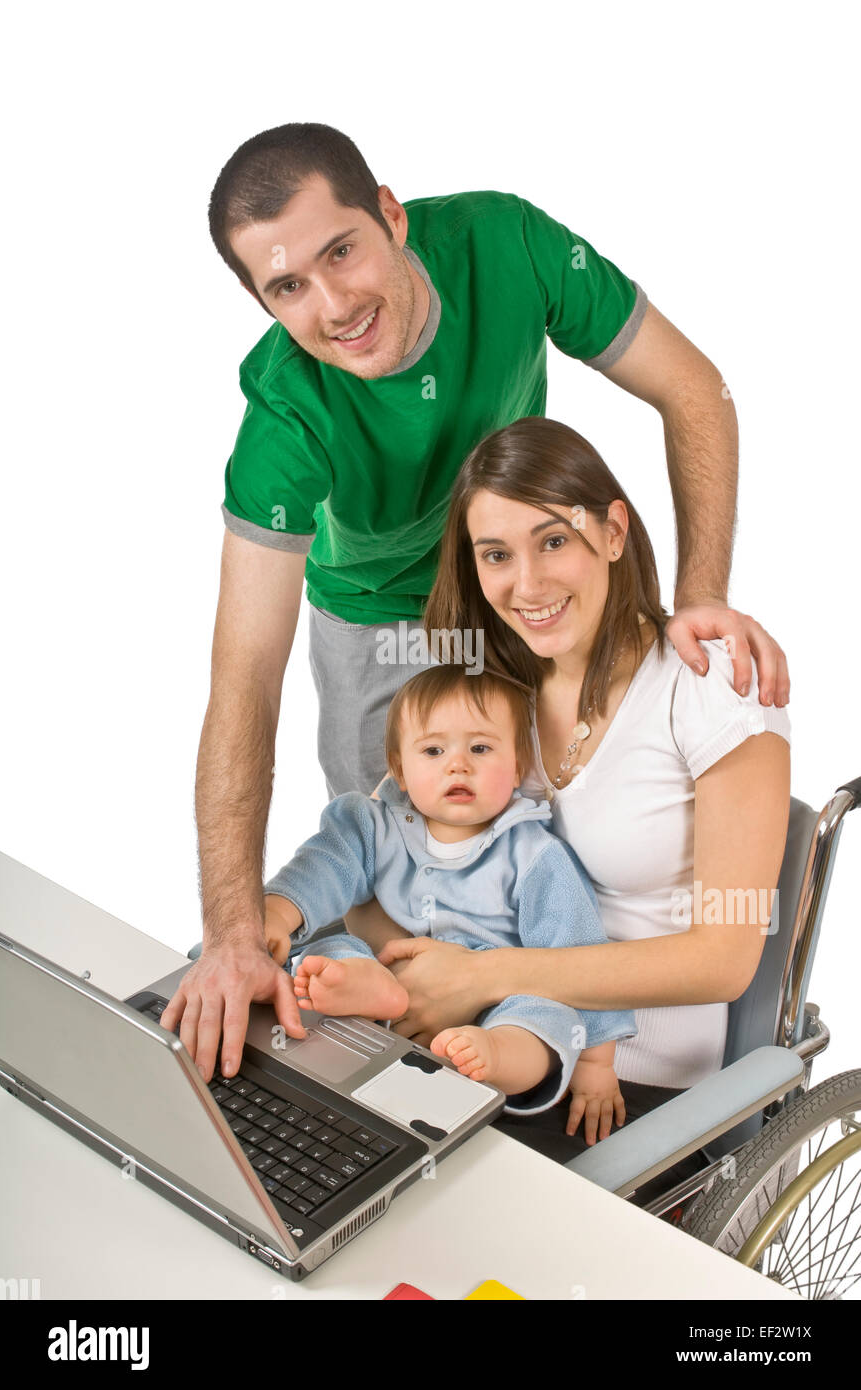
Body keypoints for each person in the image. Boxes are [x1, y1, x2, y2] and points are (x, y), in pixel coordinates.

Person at [162, 121, 789, 1086]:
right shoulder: (283, 418)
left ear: (391, 216)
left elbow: (694, 391)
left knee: (525, 830)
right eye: (288, 287)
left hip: (504, 574)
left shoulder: (508, 247)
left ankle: (499, 1022)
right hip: (380, 618)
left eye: (343, 252)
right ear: (260, 303)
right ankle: (412, 1063)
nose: (334, 305)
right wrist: (237, 931)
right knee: (392, 854)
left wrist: (699, 598)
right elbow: (243, 682)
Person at [368, 416, 791, 1180]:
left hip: (628, 1079)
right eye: (496, 554)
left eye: (553, 540)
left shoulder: (710, 688)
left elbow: (724, 959)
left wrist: (489, 974)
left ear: (613, 532)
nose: (525, 585)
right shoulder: (495, 691)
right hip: (484, 1032)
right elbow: (383, 853)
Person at [260, 663, 636, 1123]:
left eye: (480, 748)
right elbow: (326, 864)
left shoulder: (535, 855)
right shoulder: (373, 826)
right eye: (434, 750)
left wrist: (596, 1062)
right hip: (391, 974)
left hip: (496, 1003)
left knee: (548, 1016)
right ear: (399, 770)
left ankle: (494, 1055)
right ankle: (365, 985)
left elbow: (578, 949)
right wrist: (278, 913)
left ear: (518, 766)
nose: (458, 764)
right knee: (334, 949)